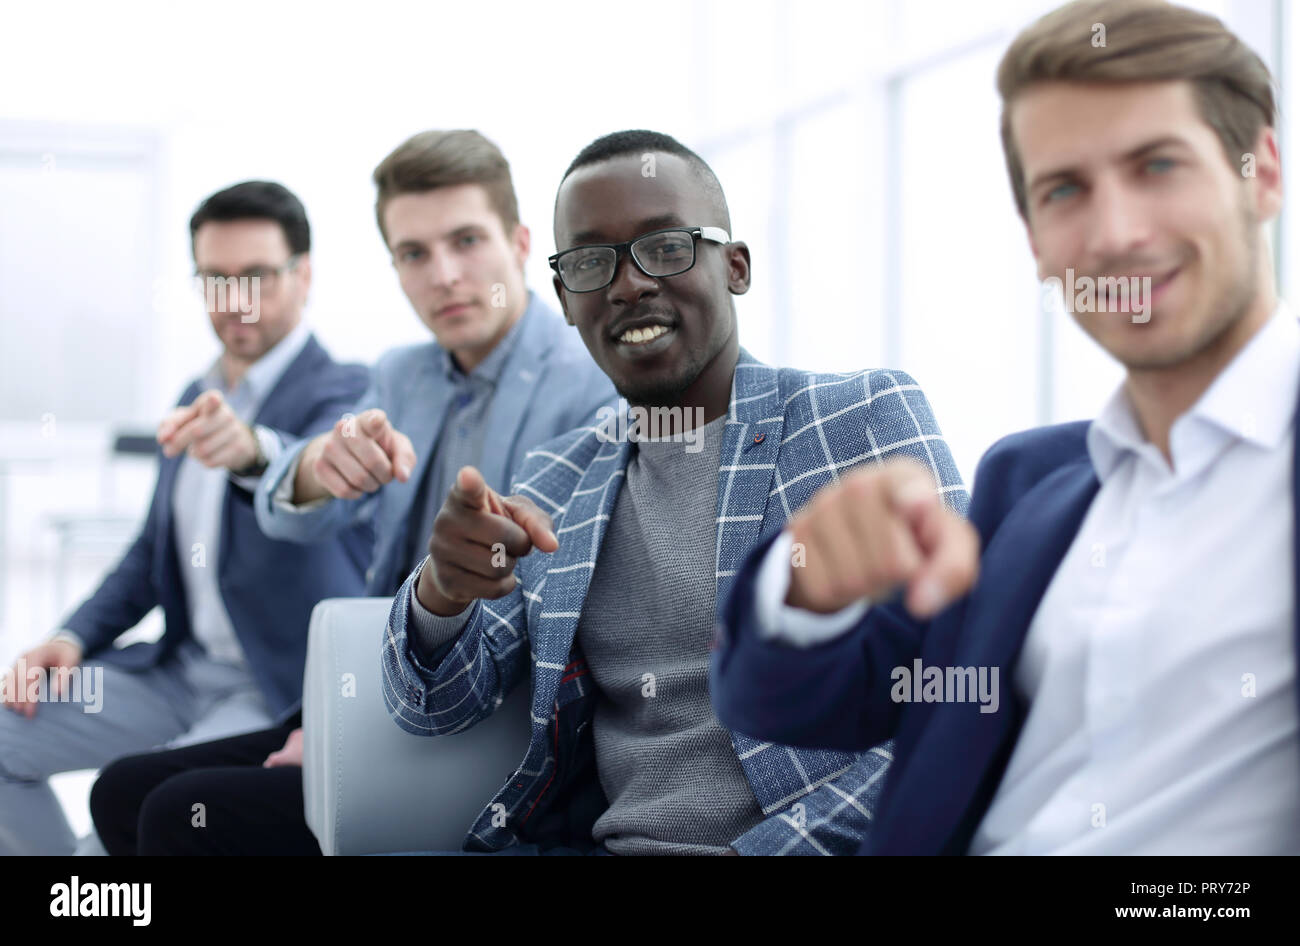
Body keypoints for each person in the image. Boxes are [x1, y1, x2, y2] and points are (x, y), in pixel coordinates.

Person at [711, 0, 1300, 855]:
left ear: (1264, 173)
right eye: (1065, 190)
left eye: (1158, 165)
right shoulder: (1026, 485)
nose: (1116, 234)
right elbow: (785, 703)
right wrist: (811, 579)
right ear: (1032, 238)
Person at [382, 129, 966, 855]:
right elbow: (434, 706)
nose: (629, 285)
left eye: (665, 248)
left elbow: (958, 703)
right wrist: (442, 590)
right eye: (593, 263)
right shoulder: (556, 478)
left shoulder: (856, 417)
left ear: (736, 266)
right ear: (565, 298)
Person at [89, 129, 616, 855]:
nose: (444, 276)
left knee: (180, 815)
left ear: (521, 242)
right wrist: (317, 469)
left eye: (467, 240)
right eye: (414, 254)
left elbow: (539, 626)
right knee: (119, 792)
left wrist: (346, 738)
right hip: (367, 686)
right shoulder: (406, 376)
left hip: (487, 721)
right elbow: (293, 504)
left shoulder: (587, 387)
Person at [0, 181, 370, 855]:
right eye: (217, 279)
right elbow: (150, 554)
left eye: (256, 275)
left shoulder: (348, 391)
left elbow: (317, 467)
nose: (236, 301)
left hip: (272, 692)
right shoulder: (195, 395)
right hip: (175, 673)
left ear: (304, 275)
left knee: (112, 841)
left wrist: (255, 453)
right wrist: (71, 637)